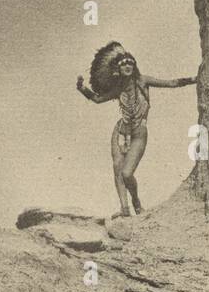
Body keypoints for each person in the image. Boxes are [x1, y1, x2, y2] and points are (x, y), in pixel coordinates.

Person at [77, 42, 197, 216]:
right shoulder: (118, 88)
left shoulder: (143, 81)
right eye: (123, 63)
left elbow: (171, 83)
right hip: (121, 130)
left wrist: (194, 79)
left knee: (127, 173)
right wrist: (82, 89)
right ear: (117, 68)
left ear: (134, 66)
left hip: (139, 132)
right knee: (117, 167)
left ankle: (136, 202)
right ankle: (124, 209)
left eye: (130, 63)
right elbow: (97, 99)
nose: (127, 66)